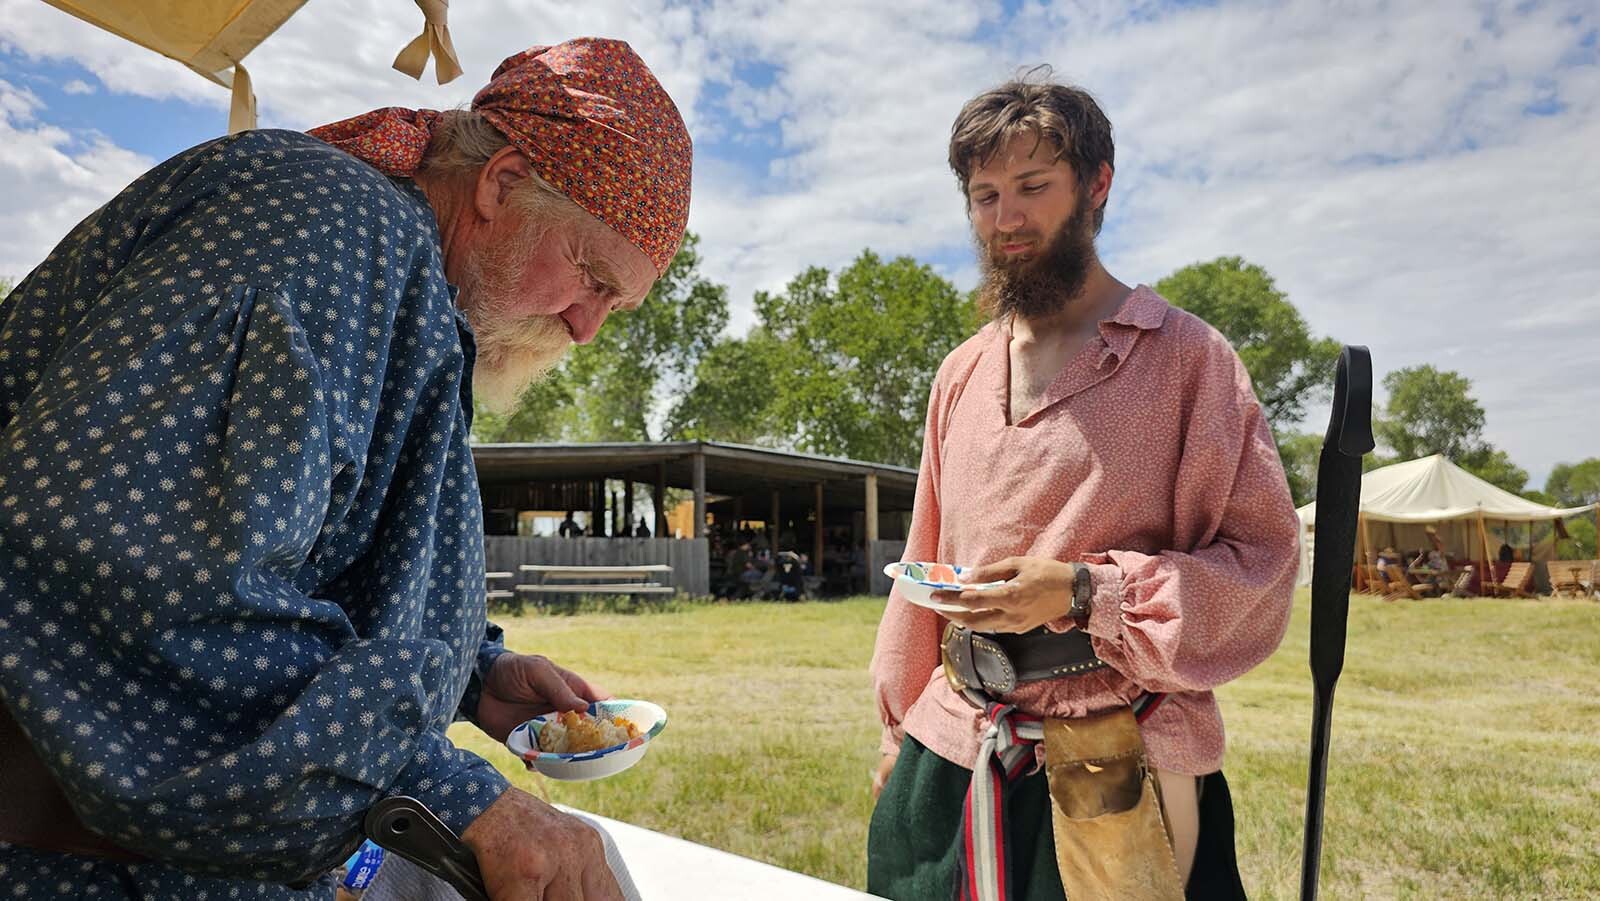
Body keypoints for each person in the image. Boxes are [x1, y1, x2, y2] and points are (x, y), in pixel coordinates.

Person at [0, 37, 691, 900]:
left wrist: (476, 674)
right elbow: (154, 580)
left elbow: (312, 550)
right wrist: (457, 796)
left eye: (615, 306)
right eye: (591, 277)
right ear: (502, 182)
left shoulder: (405, 285)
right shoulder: (318, 228)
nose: (586, 328)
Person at [868, 73, 1299, 901]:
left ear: (1097, 185)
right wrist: (898, 732)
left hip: (1120, 759)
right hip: (953, 740)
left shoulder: (1188, 361)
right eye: (985, 195)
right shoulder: (960, 372)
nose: (1005, 217)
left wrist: (1083, 591)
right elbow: (924, 555)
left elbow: (1263, 565)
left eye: (1033, 186)